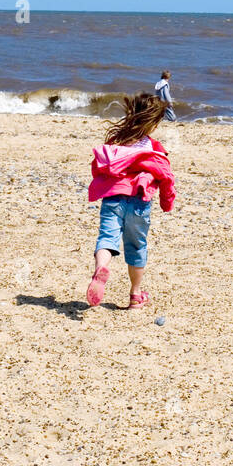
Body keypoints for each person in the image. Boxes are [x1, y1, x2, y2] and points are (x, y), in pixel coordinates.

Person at [86, 93, 176, 310]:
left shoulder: (115, 143)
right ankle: (135, 296)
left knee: (107, 239)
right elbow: (166, 176)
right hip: (139, 201)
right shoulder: (154, 147)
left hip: (113, 198)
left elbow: (98, 167)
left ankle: (101, 268)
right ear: (153, 124)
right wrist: (166, 202)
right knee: (137, 246)